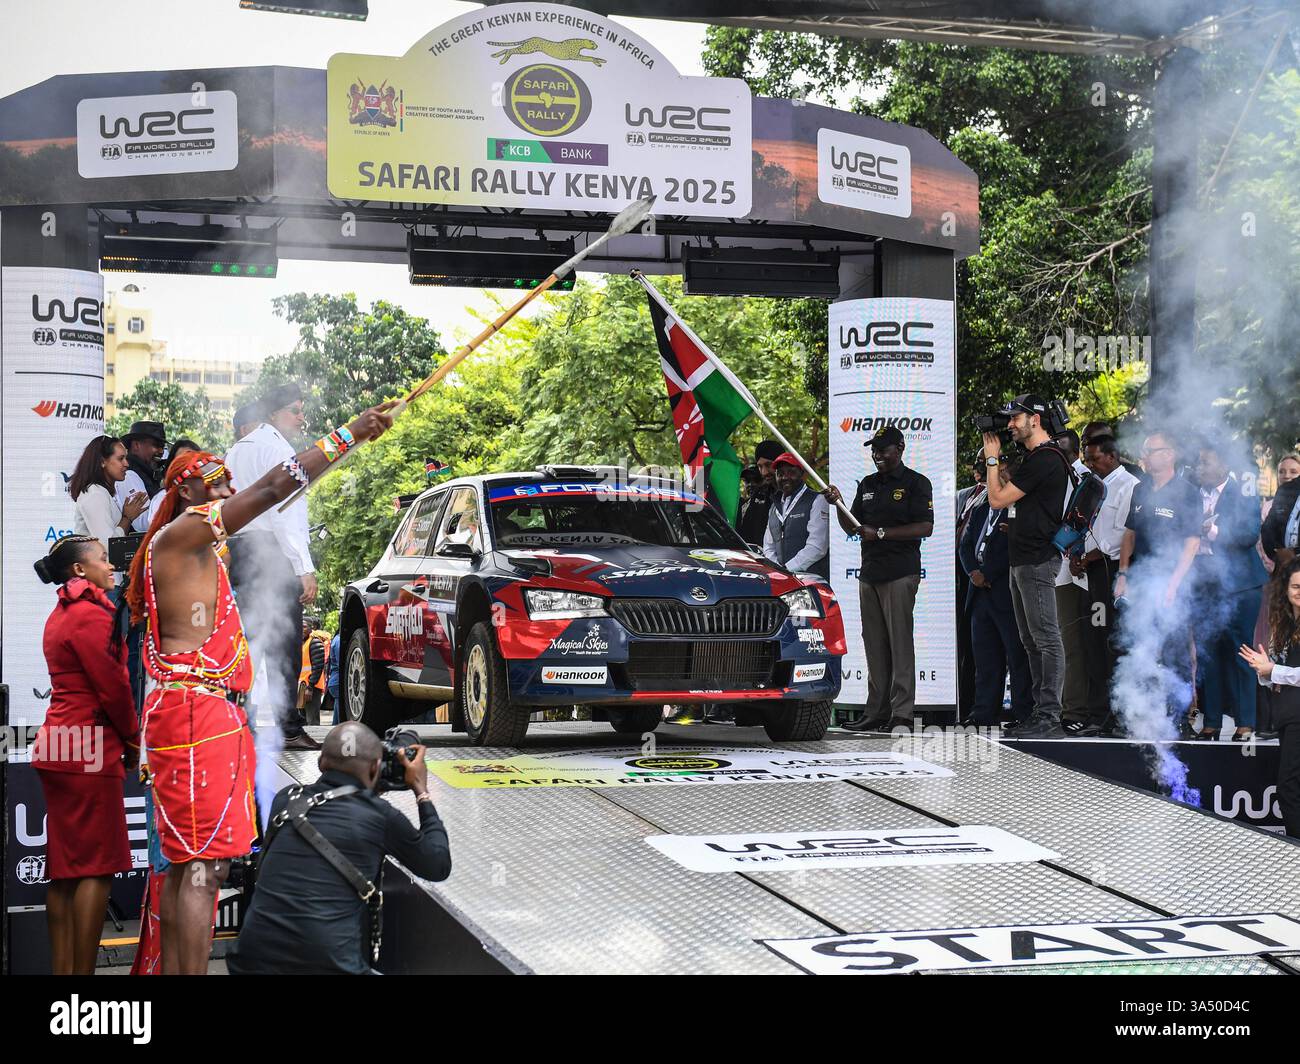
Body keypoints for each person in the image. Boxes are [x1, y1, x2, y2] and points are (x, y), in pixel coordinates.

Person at [121, 401, 396, 974]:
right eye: (218, 485)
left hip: (195, 715)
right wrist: (350, 434)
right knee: (202, 870)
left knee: (193, 866)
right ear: (190, 489)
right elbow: (274, 487)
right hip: (197, 719)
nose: (227, 494)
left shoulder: (186, 545)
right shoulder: (185, 535)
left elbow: (276, 496)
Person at [227, 723, 451, 974]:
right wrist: (421, 790)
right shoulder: (380, 817)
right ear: (376, 768)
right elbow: (437, 865)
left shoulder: (285, 800)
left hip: (250, 963)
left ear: (321, 763)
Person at [30, 535, 139, 975]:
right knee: (97, 868)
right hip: (86, 749)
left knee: (65, 870)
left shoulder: (60, 614)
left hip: (58, 745)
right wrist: (132, 741)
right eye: (101, 559)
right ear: (79, 570)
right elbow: (114, 688)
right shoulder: (90, 616)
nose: (110, 565)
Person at [224, 382, 321, 750]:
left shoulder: (237, 450)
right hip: (272, 553)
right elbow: (285, 514)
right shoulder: (278, 449)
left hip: (242, 552)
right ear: (274, 414)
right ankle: (288, 728)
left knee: (247, 640)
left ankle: (241, 722)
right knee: (283, 641)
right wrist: (303, 566)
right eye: (294, 410)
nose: (301, 417)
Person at [826, 426, 934, 730]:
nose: (877, 456)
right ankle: (876, 712)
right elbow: (853, 527)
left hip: (900, 572)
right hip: (870, 572)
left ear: (899, 448)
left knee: (899, 643)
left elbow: (925, 527)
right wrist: (838, 504)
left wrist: (882, 533)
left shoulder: (916, 482)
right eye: (874, 450)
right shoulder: (869, 484)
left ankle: (902, 714)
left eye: (883, 450)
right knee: (873, 644)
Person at [981, 396, 1072, 738]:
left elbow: (996, 499)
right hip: (1021, 559)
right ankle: (1039, 712)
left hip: (1036, 559)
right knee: (1031, 640)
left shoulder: (1046, 457)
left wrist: (992, 459)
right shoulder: (1035, 458)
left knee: (1046, 638)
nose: (1009, 425)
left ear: (1035, 420)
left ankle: (1050, 717)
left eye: (1014, 419)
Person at [1116, 431, 1202, 733]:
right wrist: (1124, 574)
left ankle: (1178, 718)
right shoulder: (1140, 489)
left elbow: (1192, 543)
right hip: (1141, 581)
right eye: (1145, 450)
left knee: (1175, 651)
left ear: (1169, 454)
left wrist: (1173, 584)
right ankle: (1141, 716)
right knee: (1140, 647)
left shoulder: (1189, 492)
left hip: (1172, 583)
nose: (1146, 455)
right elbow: (1129, 534)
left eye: (1151, 450)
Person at [1062, 435, 1139, 735]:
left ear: (1112, 455)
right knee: (1092, 642)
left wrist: (1090, 556)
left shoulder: (1129, 485)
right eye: (1088, 459)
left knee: (1110, 643)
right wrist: (1077, 554)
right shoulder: (1094, 485)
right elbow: (1085, 524)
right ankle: (1097, 713)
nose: (1090, 464)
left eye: (1095, 458)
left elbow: (1122, 535)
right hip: (1088, 573)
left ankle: (1117, 715)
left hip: (1110, 571)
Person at [1191, 443, 1267, 740]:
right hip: (1203, 584)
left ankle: (1245, 722)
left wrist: (1211, 531)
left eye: (1205, 462)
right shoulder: (1193, 493)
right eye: (1198, 462)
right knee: (1208, 654)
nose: (1200, 468)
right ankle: (1211, 722)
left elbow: (1249, 534)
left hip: (1240, 585)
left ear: (1223, 465)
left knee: (1241, 652)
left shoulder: (1243, 492)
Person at [959, 458, 1032, 727]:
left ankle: (1023, 712)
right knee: (984, 656)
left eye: (1001, 471)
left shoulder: (1017, 509)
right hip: (978, 594)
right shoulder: (979, 510)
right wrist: (973, 573)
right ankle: (983, 712)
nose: (997, 475)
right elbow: (965, 546)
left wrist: (988, 573)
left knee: (1016, 655)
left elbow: (1012, 550)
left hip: (1005, 591)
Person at [1239, 557, 1300, 838]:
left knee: (1288, 787)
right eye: (1296, 586)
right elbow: (1273, 676)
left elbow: (1284, 672)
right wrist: (1264, 671)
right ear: (1286, 589)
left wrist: (1274, 670)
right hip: (1287, 716)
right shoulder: (1284, 625)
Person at [70, 435, 148, 563]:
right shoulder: (94, 494)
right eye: (120, 459)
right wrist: (127, 518)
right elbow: (108, 548)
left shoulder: (101, 492)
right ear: (102, 461)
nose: (126, 464)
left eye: (126, 458)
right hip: (98, 579)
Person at [955, 452, 988, 721]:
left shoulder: (1001, 496)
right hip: (961, 577)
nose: (977, 468)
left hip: (989, 579)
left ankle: (987, 707)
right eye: (976, 462)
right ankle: (966, 706)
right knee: (966, 644)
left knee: (988, 649)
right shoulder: (965, 495)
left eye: (983, 462)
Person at [762, 453, 830, 578]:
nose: (785, 477)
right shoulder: (773, 507)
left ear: (802, 474)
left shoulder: (817, 500)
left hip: (811, 580)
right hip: (781, 580)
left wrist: (787, 569)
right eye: (780, 473)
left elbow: (818, 546)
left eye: (791, 472)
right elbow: (768, 546)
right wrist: (776, 570)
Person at [115, 421, 167, 532]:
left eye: (162, 447)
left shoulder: (148, 473)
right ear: (136, 445)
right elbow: (143, 524)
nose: (161, 451)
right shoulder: (128, 475)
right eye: (156, 445)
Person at [145, 439, 200, 527]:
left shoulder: (209, 493)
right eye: (180, 461)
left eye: (192, 460)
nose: (187, 465)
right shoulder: (163, 498)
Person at [298, 617, 330, 727]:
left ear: (312, 628)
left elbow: (318, 667)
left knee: (312, 721)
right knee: (302, 720)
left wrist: (310, 687)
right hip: (302, 687)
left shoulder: (315, 643)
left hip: (312, 688)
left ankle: (314, 741)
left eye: (304, 627)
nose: (301, 629)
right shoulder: (303, 642)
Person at [736, 465, 771, 548]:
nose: (751, 484)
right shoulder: (741, 504)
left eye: (756, 480)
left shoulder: (771, 502)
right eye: (747, 481)